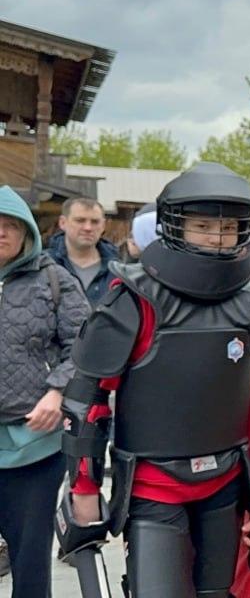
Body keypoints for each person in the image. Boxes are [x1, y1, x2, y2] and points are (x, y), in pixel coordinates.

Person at [58, 162, 250, 597]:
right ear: (174, 226)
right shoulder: (132, 298)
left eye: (228, 226)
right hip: (153, 487)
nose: (217, 237)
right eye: (203, 225)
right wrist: (84, 490)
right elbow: (86, 402)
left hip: (225, 484)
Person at [0, 185, 91, 596]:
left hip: (34, 446)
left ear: (26, 234)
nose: (1, 233)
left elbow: (87, 347)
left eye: (10, 226)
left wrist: (57, 392)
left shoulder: (54, 280)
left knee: (30, 560)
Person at [46, 197, 118, 306]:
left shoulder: (117, 270)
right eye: (80, 220)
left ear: (103, 226)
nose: (88, 228)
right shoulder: (43, 265)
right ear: (62, 223)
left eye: (95, 222)